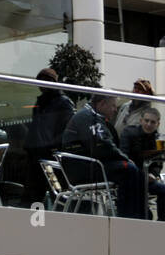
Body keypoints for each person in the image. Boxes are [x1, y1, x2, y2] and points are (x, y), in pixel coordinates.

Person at [62, 92, 146, 219]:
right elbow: (102, 145)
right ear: (101, 104)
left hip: (84, 166)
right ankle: (130, 217)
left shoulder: (89, 115)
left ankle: (138, 215)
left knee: (132, 170)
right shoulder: (89, 117)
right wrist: (125, 158)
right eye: (113, 106)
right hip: (84, 170)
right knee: (130, 170)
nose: (115, 109)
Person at [23, 68, 74, 206]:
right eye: (40, 82)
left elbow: (67, 131)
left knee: (57, 193)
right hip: (36, 154)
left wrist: (53, 147)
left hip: (51, 157)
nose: (42, 85)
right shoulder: (40, 103)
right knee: (33, 195)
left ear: (52, 82)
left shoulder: (63, 102)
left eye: (45, 81)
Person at [120, 107, 165, 221]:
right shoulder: (129, 132)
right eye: (146, 120)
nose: (149, 124)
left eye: (152, 122)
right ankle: (146, 216)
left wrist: (153, 174)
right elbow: (123, 156)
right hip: (131, 178)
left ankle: (164, 223)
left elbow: (159, 162)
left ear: (158, 124)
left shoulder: (158, 138)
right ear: (141, 121)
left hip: (147, 179)